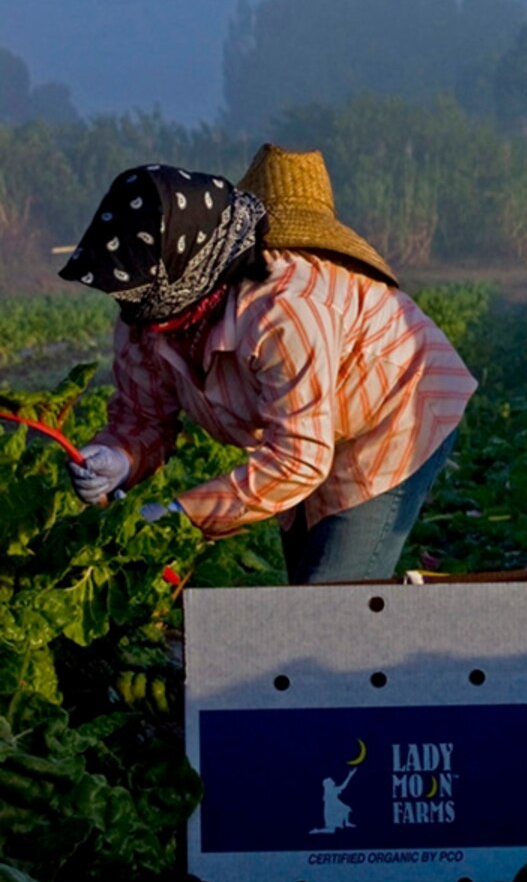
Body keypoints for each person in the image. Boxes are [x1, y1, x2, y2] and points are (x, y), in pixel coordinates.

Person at [58, 150, 477, 584]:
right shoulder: (148, 317)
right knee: (306, 593)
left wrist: (182, 514)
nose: (127, 305)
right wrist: (119, 456)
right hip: (305, 427)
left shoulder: (283, 313)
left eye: (136, 290)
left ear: (184, 272)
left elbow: (299, 461)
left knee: (334, 599)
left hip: (396, 410)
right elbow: (143, 415)